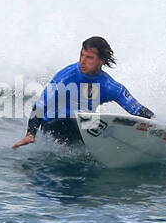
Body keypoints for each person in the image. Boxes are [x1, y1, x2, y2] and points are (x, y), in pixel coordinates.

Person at [12, 36, 154, 149]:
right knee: (87, 122)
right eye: (82, 55)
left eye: (89, 57)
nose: (83, 61)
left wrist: (161, 125)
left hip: (84, 127)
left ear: (102, 61)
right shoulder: (67, 77)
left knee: (101, 125)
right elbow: (41, 105)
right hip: (54, 124)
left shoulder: (109, 86)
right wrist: (31, 133)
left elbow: (136, 109)